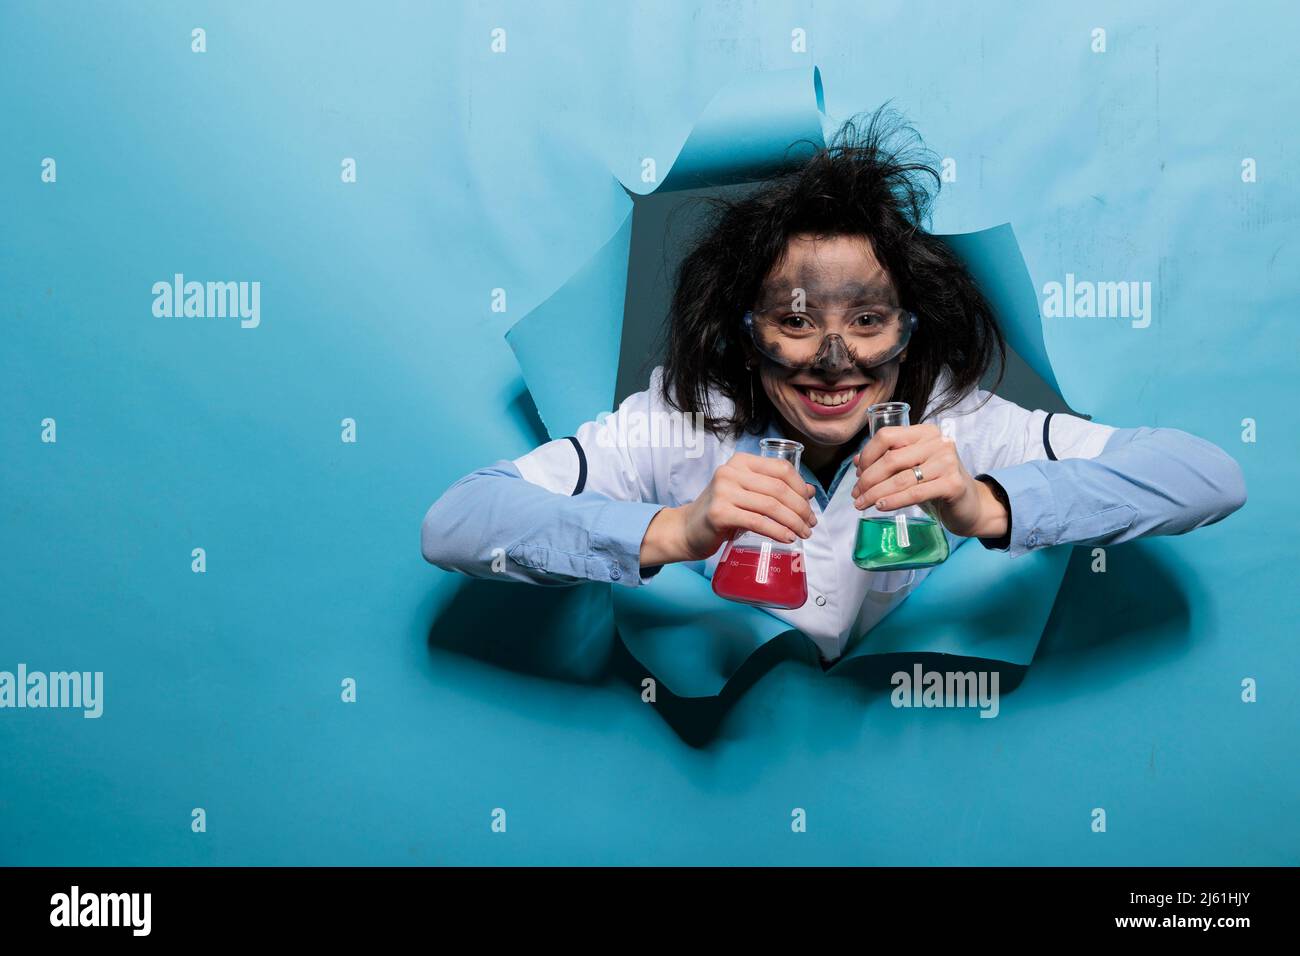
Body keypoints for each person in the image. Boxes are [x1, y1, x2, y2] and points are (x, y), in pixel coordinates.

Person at [421, 110, 1246, 663]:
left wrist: (987, 505)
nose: (833, 358)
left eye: (868, 319)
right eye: (795, 319)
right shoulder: (674, 423)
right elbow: (457, 523)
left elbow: (1207, 478)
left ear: (909, 328)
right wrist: (674, 529)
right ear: (746, 328)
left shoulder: (963, 426)